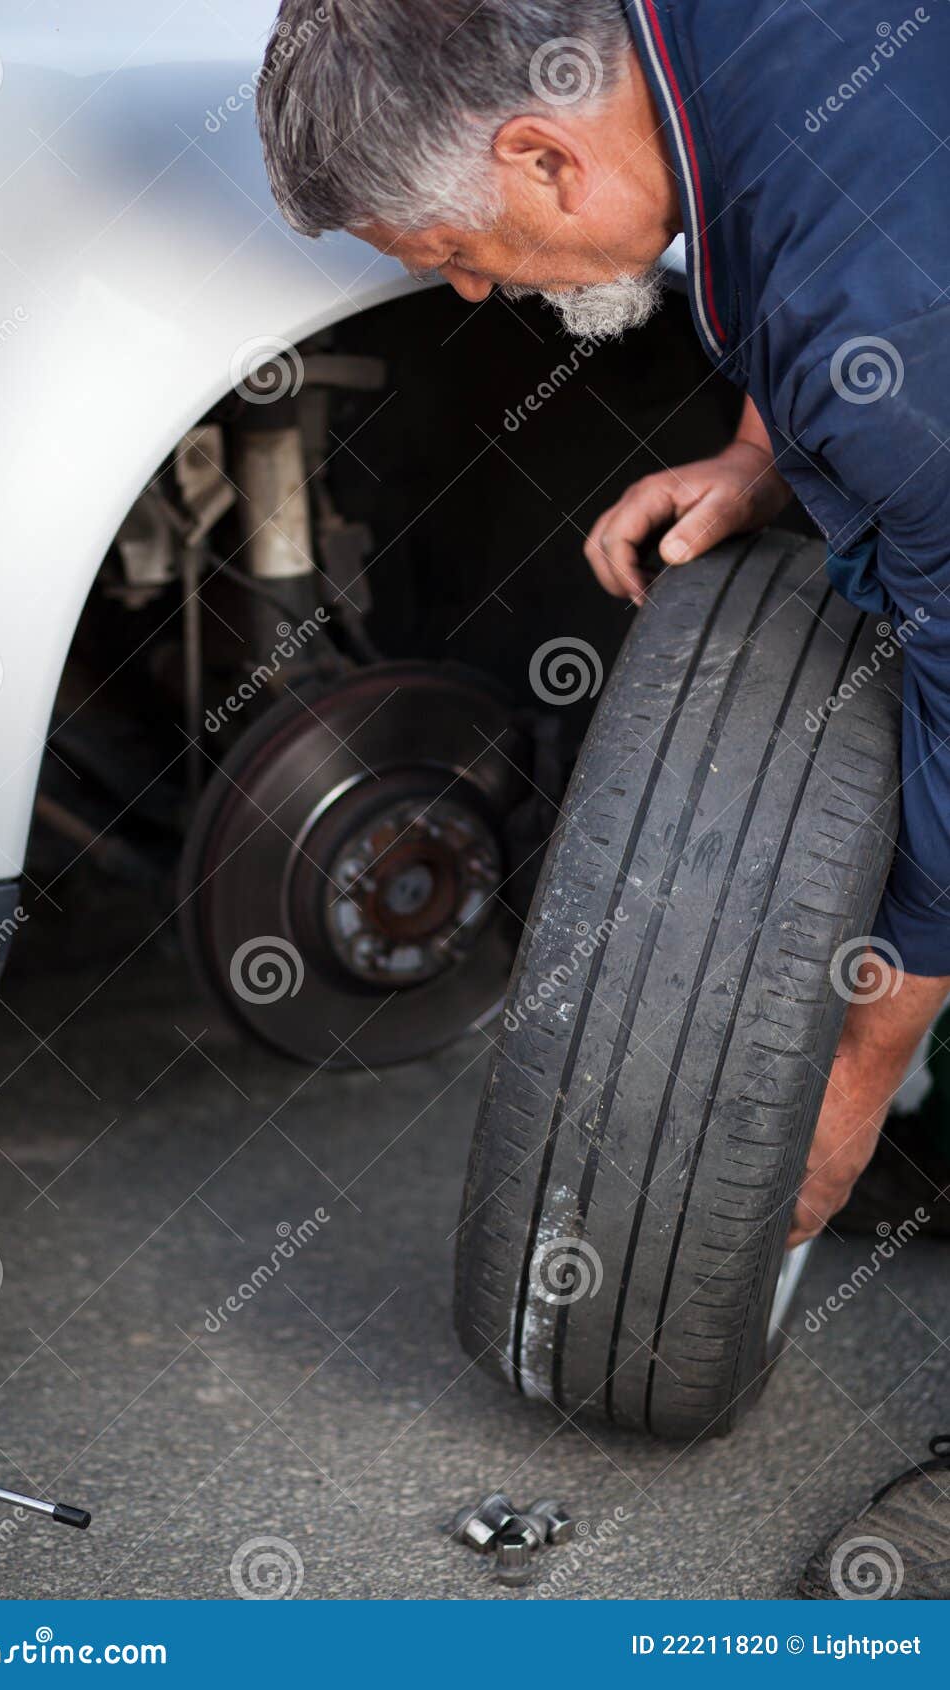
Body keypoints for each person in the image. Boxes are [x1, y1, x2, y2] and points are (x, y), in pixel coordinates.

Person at [255, 0, 950, 1594]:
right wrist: (769, 445)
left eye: (457, 250)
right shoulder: (694, 50)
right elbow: (797, 195)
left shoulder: (899, 333)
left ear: (539, 153)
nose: (476, 289)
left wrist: (849, 1064)